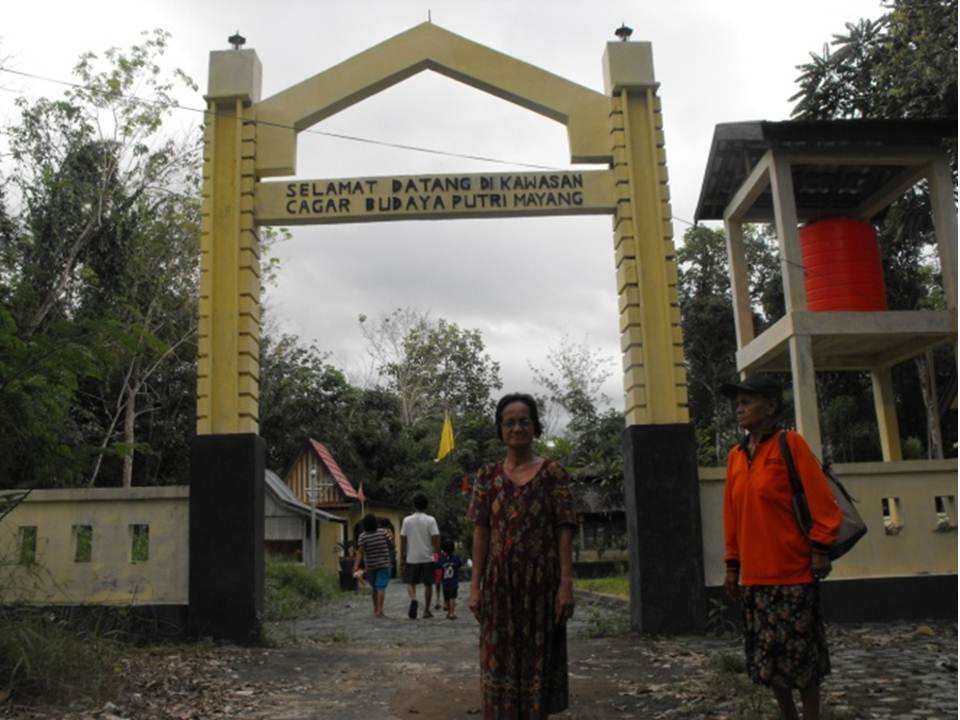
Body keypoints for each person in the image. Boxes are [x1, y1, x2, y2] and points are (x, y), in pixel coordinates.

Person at [720, 375, 842, 720]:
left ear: (771, 406)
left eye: (748, 401)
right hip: (755, 579)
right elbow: (731, 515)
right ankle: (788, 714)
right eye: (737, 403)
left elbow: (822, 502)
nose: (739, 408)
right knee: (769, 657)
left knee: (803, 657)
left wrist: (820, 548)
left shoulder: (790, 445)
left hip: (793, 573)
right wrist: (732, 564)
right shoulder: (735, 456)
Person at [467, 392, 577, 718]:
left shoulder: (554, 474)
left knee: (539, 661)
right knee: (498, 658)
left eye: (524, 421)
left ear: (535, 426)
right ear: (500, 429)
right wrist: (475, 587)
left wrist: (566, 585)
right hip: (499, 586)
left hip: (542, 585)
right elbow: (481, 532)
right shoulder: (487, 477)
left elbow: (565, 529)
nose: (517, 428)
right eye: (509, 422)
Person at [400, 493, 440, 619]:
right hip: (428, 557)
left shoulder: (406, 520)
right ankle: (426, 610)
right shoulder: (431, 520)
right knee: (428, 584)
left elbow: (403, 540)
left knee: (410, 582)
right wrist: (436, 556)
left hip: (412, 557)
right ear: (426, 505)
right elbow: (435, 539)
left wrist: (402, 556)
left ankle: (413, 599)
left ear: (414, 505)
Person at [353, 513, 393, 618]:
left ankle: (375, 609)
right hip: (384, 564)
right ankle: (380, 610)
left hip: (370, 566)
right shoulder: (383, 532)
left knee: (375, 588)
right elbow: (391, 545)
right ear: (376, 523)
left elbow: (360, 552)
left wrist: (356, 566)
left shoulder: (362, 536)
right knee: (381, 587)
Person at [438, 538, 463, 620]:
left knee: (447, 598)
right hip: (454, 582)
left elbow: (437, 565)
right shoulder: (456, 558)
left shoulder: (442, 559)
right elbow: (460, 564)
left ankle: (449, 612)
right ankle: (452, 613)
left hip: (445, 583)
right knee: (452, 597)